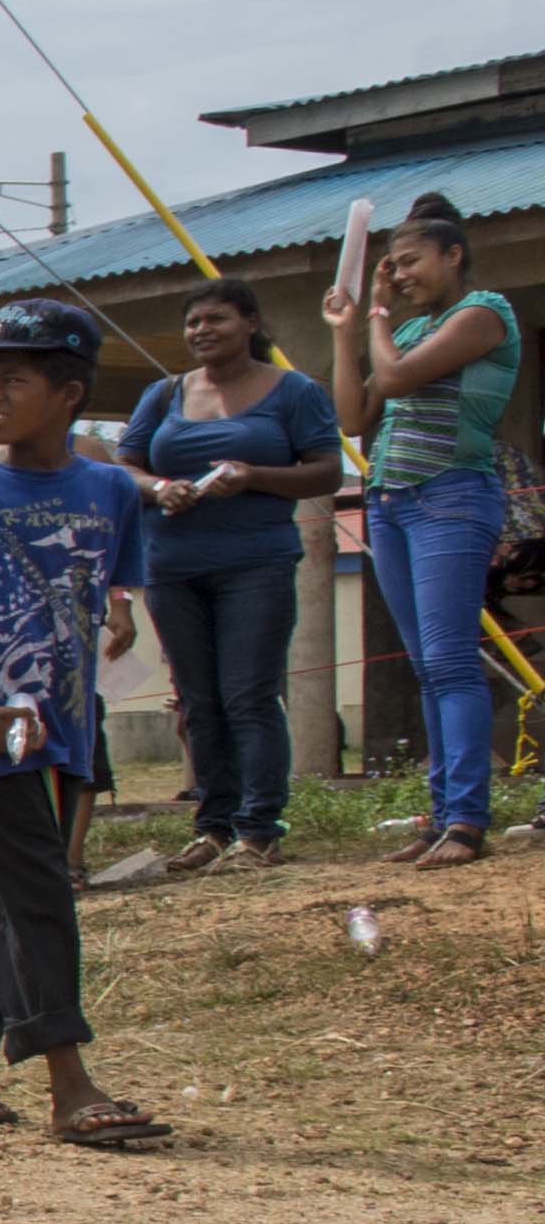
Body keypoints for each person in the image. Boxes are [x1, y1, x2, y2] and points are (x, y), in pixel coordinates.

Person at [0, 298, 162, 1142]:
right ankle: (69, 1082)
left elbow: (105, 596)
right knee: (39, 886)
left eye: (11, 379)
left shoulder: (111, 490)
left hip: (65, 719)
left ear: (70, 393)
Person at [326, 190, 522, 869]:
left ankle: (467, 820)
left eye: (410, 262)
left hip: (452, 497)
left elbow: (400, 380)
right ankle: (442, 817)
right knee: (425, 667)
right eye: (392, 266)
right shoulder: (404, 332)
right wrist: (345, 328)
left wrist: (378, 315)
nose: (401, 275)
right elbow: (353, 418)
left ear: (453, 255)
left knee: (449, 661)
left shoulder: (484, 313)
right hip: (392, 500)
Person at [117, 280, 341, 875]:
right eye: (192, 323)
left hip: (256, 562)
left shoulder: (294, 392)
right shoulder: (163, 394)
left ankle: (259, 829)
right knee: (199, 700)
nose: (201, 331)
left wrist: (256, 475)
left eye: (215, 319)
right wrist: (160, 488)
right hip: (172, 566)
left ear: (250, 323)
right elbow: (124, 467)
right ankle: (212, 827)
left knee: (248, 694)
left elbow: (326, 471)